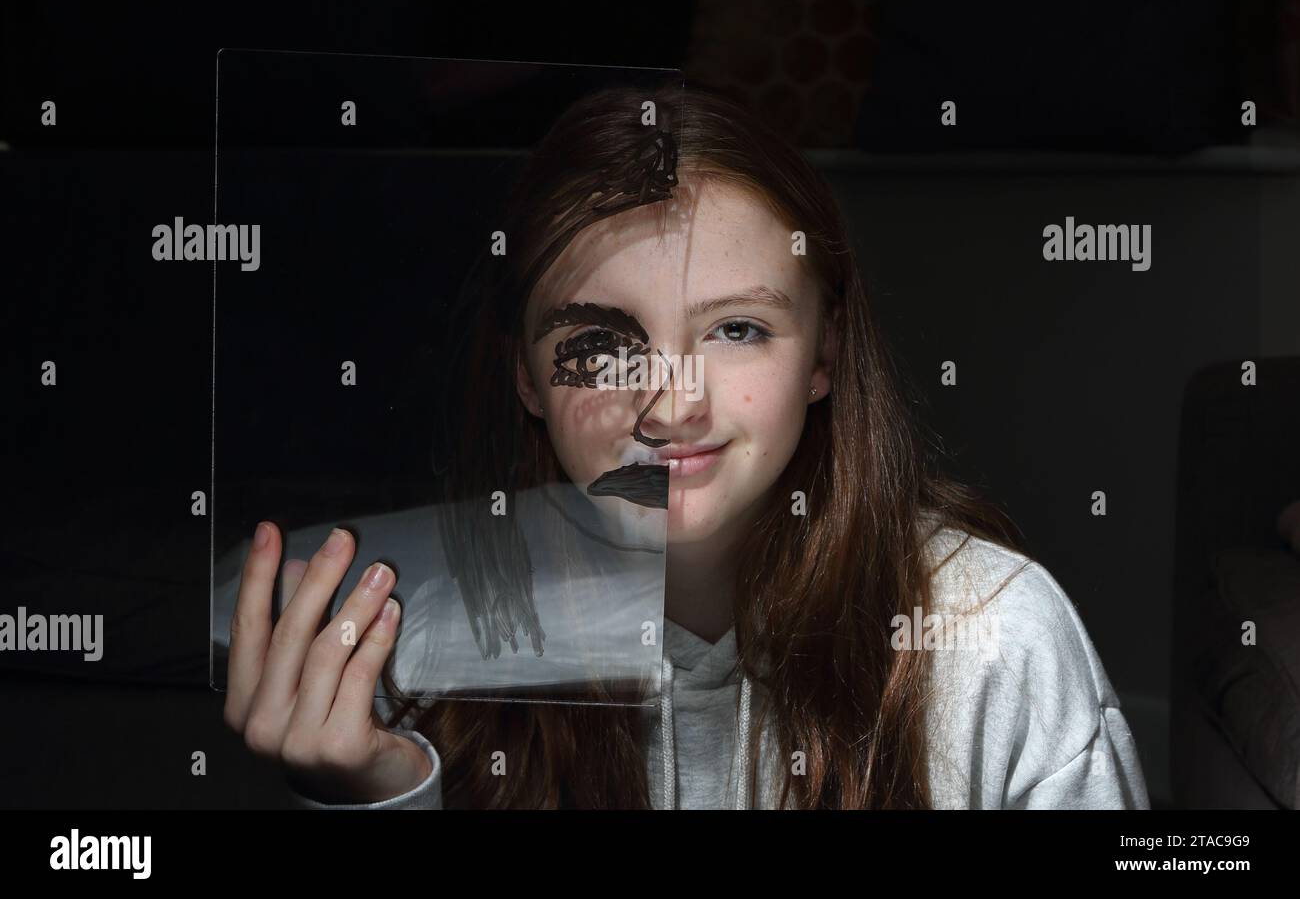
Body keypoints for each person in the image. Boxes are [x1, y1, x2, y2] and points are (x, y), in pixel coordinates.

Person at [216, 82, 1150, 809]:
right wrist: (382, 793)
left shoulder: (991, 639)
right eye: (601, 344)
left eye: (737, 329)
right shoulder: (407, 652)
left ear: (822, 356)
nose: (671, 406)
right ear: (526, 379)